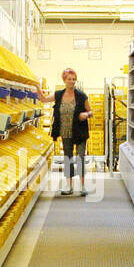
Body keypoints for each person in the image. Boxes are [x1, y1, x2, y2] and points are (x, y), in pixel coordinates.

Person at [45, 68, 92, 196]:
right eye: (69, 79)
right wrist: (37, 88)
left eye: (73, 79)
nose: (71, 81)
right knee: (68, 158)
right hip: (65, 132)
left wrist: (86, 115)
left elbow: (91, 111)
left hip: (80, 132)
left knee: (81, 157)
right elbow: (43, 99)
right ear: (64, 80)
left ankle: (82, 186)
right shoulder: (59, 94)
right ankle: (69, 186)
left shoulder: (81, 95)